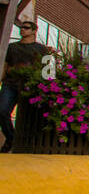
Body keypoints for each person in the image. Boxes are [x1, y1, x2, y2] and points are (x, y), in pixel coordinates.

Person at [2, 20, 55, 153]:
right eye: (21, 27)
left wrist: (46, 84)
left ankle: (20, 144)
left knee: (27, 117)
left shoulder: (41, 49)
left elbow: (47, 70)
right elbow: (5, 65)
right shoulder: (12, 47)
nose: (22, 30)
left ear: (34, 31)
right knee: (2, 111)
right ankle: (11, 138)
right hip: (10, 84)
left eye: (26, 28)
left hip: (29, 86)